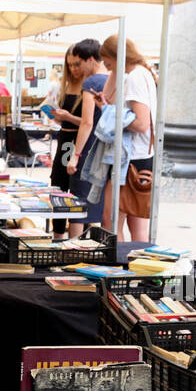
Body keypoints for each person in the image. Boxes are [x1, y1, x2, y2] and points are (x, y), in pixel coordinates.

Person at [98, 34, 157, 243]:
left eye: (108, 63)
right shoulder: (141, 74)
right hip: (141, 158)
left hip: (129, 159)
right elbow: (109, 97)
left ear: (118, 57)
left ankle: (119, 270)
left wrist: (112, 116)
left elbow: (141, 123)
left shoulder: (134, 77)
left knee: (111, 222)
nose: (107, 69)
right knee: (137, 225)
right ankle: (138, 273)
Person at [48, 42, 100, 214]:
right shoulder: (67, 85)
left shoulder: (89, 86)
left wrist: (68, 117)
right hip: (64, 140)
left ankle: (77, 231)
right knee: (58, 188)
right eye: (69, 65)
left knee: (78, 192)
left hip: (80, 142)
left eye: (77, 64)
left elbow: (89, 122)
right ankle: (59, 233)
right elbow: (67, 121)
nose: (73, 69)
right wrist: (57, 117)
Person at [67, 47, 110, 238]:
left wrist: (75, 156)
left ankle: (72, 250)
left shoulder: (91, 82)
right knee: (100, 205)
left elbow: (87, 122)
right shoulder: (113, 80)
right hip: (107, 149)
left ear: (91, 60)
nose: (79, 68)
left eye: (79, 62)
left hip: (89, 147)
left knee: (78, 205)